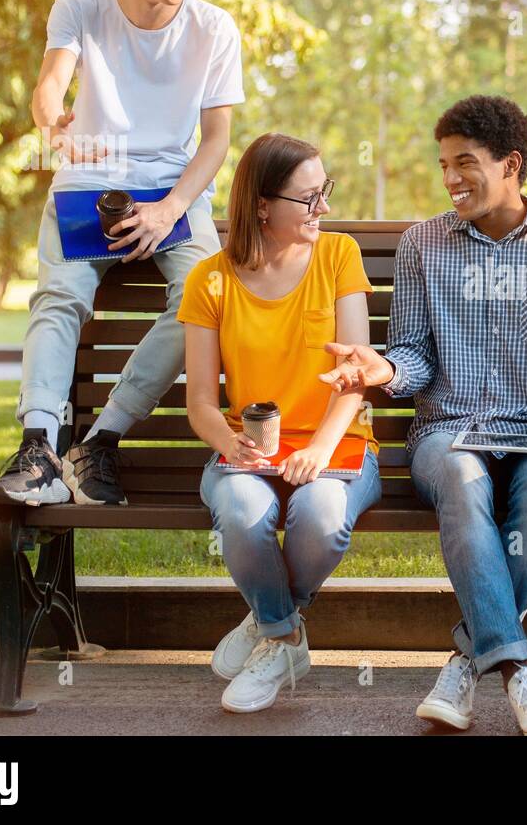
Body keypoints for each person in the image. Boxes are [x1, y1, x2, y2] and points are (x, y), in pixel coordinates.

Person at [317, 95, 527, 735]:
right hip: (447, 431)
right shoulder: (422, 245)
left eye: (466, 163)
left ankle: (466, 659)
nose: (451, 178)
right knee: (463, 480)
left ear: (511, 163)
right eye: (443, 165)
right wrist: (384, 370)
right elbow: (412, 356)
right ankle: (518, 671)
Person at [0, 0, 243, 508]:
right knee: (60, 296)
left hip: (175, 192)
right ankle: (38, 446)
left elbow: (216, 141)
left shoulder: (214, 28)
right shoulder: (79, 8)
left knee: (205, 300)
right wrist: (55, 127)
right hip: (89, 182)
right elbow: (49, 89)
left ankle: (98, 441)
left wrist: (169, 209)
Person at [178, 133, 380, 714]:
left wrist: (319, 447)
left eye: (326, 193)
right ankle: (285, 636)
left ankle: (269, 621)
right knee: (243, 512)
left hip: (337, 444)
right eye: (309, 198)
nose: (325, 210)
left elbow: (357, 375)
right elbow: (200, 402)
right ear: (262, 206)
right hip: (251, 449)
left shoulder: (338, 255)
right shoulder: (210, 280)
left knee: (321, 516)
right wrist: (229, 443)